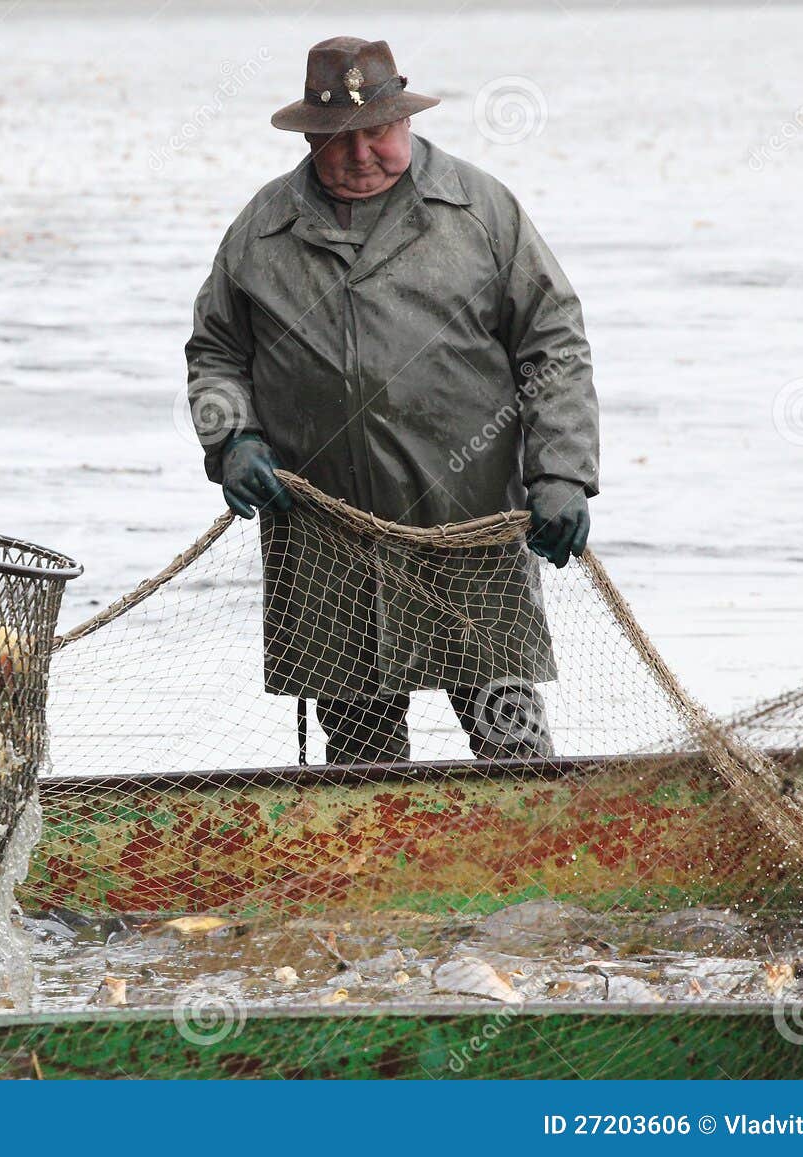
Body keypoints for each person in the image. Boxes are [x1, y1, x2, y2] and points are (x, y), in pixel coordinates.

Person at [186, 37, 599, 763]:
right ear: (311, 136)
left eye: (377, 132)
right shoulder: (261, 228)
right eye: (340, 140)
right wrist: (232, 440)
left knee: (514, 745)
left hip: (469, 531)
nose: (361, 154)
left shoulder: (481, 210)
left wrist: (561, 472)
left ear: (404, 121)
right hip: (323, 540)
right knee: (360, 762)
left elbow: (554, 345)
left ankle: (537, 867)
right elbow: (216, 352)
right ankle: (368, 875)